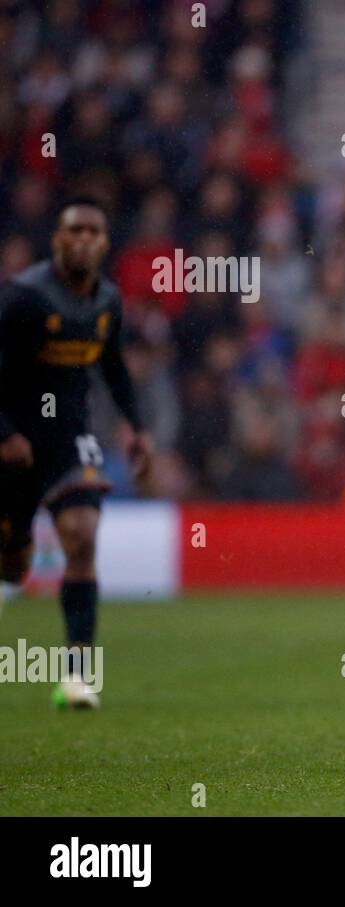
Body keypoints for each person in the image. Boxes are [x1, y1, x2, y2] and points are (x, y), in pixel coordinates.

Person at [0, 197, 153, 708]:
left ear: (105, 242)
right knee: (13, 564)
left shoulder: (107, 301)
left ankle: (76, 674)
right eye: (76, 230)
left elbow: (113, 368)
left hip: (70, 436)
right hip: (13, 441)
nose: (85, 238)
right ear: (58, 240)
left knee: (82, 536)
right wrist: (5, 434)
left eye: (95, 230)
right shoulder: (24, 298)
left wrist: (135, 426)